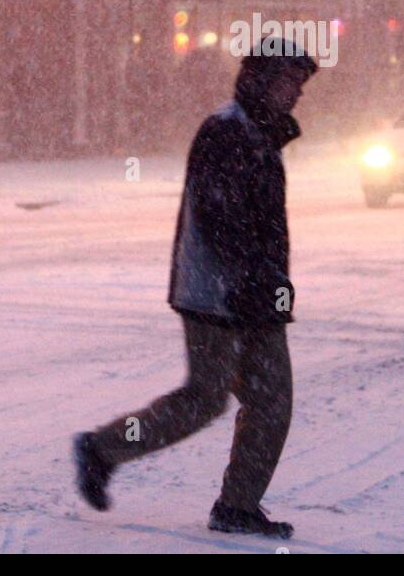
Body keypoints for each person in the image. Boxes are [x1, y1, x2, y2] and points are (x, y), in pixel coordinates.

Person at [74, 40, 319, 539]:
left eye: (299, 83)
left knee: (272, 400)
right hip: (214, 295)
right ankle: (103, 448)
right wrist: (249, 280)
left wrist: (273, 284)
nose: (295, 92)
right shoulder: (226, 132)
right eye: (286, 81)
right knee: (206, 397)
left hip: (255, 295)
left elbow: (266, 227)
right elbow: (219, 216)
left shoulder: (260, 134)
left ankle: (237, 506)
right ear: (259, 80)